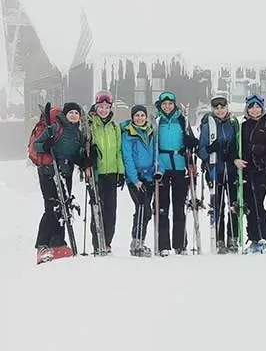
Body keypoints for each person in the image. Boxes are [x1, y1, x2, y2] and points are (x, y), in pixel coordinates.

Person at [32, 102, 87, 257]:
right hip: (49, 171)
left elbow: (76, 155)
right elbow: (37, 146)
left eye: (77, 113)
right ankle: (42, 245)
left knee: (63, 208)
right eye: (71, 113)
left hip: (65, 173)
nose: (74, 115)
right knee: (51, 208)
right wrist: (46, 145)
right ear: (65, 114)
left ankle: (57, 243)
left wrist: (85, 160)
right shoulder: (55, 128)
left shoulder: (78, 134)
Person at [153, 91, 200, 255]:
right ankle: (163, 244)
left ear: (174, 104)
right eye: (164, 104)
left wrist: (192, 143)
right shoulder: (156, 122)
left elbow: (192, 144)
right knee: (162, 207)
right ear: (160, 105)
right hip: (163, 168)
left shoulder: (182, 120)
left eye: (170, 104)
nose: (167, 106)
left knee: (179, 207)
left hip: (180, 167)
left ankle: (180, 243)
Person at [235, 93, 266, 252]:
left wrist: (263, 161)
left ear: (262, 107)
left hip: (262, 170)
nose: (254, 110)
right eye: (251, 107)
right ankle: (254, 237)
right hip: (246, 171)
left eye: (257, 106)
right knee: (248, 205)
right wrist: (236, 160)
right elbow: (237, 147)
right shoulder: (243, 126)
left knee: (258, 204)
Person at [197, 94, 240, 253]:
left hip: (232, 170)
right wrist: (209, 150)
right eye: (217, 108)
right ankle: (219, 238)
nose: (220, 110)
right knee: (218, 206)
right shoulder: (208, 125)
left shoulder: (234, 123)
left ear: (227, 107)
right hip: (215, 170)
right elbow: (200, 151)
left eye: (223, 107)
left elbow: (239, 144)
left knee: (234, 205)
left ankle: (233, 237)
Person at [86, 91, 124, 255]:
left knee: (111, 210)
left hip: (112, 173)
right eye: (101, 107)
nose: (103, 110)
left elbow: (119, 151)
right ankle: (97, 242)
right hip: (97, 173)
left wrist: (121, 172)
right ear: (96, 107)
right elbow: (84, 145)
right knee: (97, 207)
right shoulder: (90, 125)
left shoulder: (115, 128)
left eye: (106, 107)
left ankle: (107, 241)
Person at [121, 104, 156, 257]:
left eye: (142, 115)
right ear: (132, 117)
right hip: (136, 179)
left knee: (145, 211)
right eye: (137, 115)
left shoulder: (150, 132)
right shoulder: (129, 133)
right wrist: (134, 179)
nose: (140, 118)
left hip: (150, 177)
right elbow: (127, 157)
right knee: (143, 208)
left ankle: (138, 240)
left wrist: (157, 170)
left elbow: (155, 152)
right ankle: (137, 243)